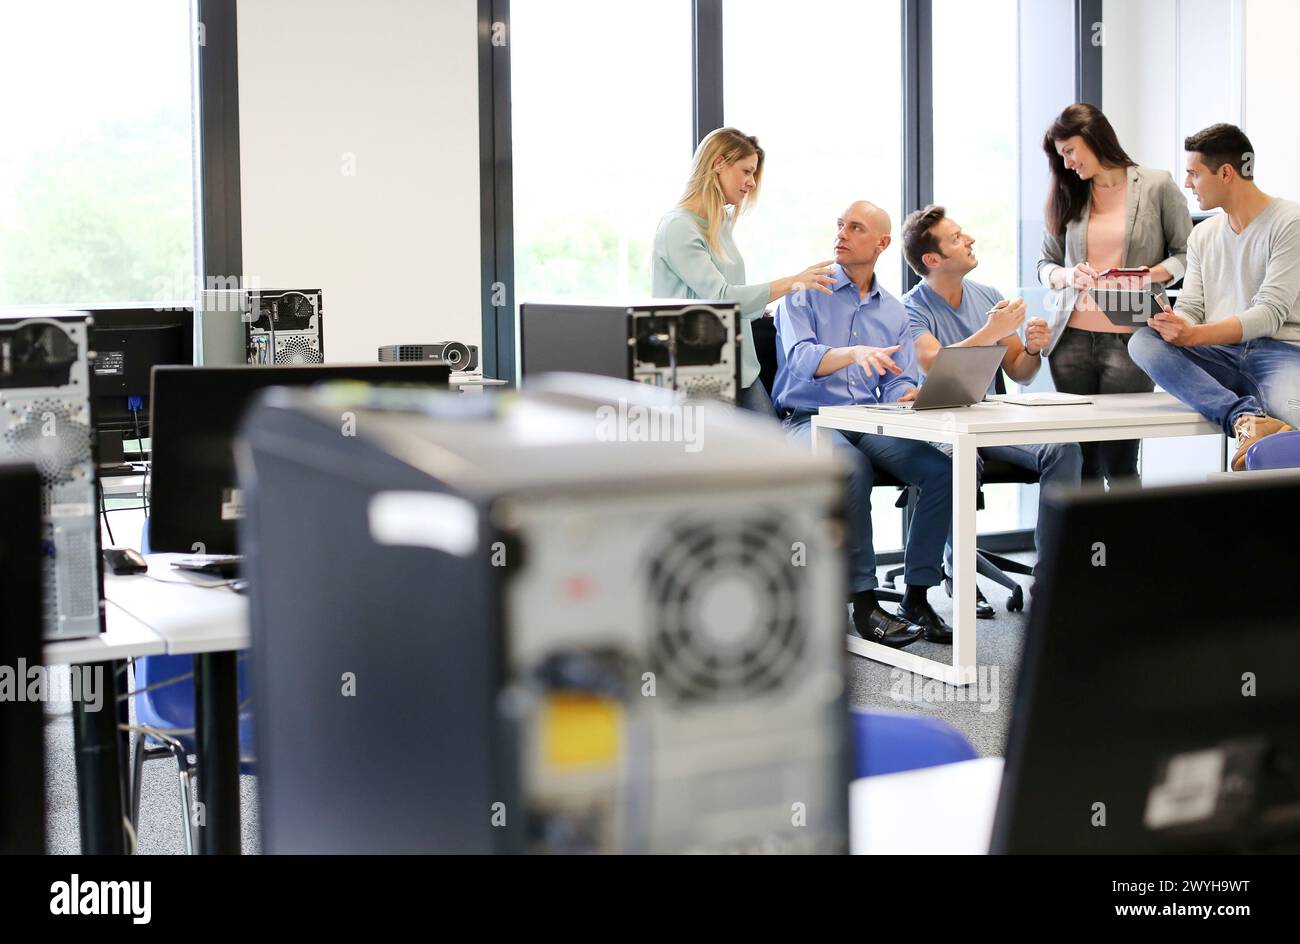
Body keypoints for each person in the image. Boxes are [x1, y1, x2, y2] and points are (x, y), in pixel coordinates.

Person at [773, 201, 952, 649]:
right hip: (809, 420)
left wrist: (908, 394)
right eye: (839, 225)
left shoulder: (892, 311)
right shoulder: (804, 292)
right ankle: (865, 603)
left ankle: (917, 595)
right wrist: (852, 355)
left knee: (941, 471)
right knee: (850, 469)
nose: (841, 233)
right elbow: (798, 362)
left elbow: (899, 380)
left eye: (855, 227)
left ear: (881, 244)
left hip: (868, 420)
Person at [902, 205, 1081, 617]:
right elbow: (933, 363)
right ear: (933, 260)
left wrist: (1034, 347)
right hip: (938, 424)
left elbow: (1021, 369)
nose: (970, 240)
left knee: (1063, 449)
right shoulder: (911, 308)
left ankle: (1051, 578)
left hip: (990, 419)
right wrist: (992, 332)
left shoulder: (989, 297)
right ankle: (950, 571)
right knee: (956, 462)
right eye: (956, 238)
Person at [1038, 103, 1193, 486]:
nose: (1068, 162)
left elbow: (1189, 254)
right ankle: (1082, 546)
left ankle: (1126, 546)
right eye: (1062, 156)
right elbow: (1044, 265)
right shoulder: (1069, 193)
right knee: (1080, 460)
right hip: (1070, 339)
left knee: (1120, 459)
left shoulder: (1156, 185)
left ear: (1092, 136)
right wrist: (1068, 274)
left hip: (1132, 338)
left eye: (1070, 150)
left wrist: (1151, 274)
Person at [1128, 123, 1300, 469]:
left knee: (1293, 430)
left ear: (1225, 173)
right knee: (1143, 342)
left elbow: (1269, 313)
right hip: (1219, 353)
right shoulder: (1202, 234)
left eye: (1194, 174)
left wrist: (1194, 334)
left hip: (1279, 350)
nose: (1188, 183)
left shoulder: (1289, 222)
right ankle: (1243, 418)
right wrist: (1176, 325)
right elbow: (1192, 306)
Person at [653, 128, 836, 414]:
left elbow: (728, 294)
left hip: (740, 367)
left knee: (773, 451)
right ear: (718, 164)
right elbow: (722, 296)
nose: (751, 183)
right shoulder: (679, 227)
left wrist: (757, 307)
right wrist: (792, 282)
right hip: (698, 371)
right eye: (746, 171)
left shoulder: (719, 224)